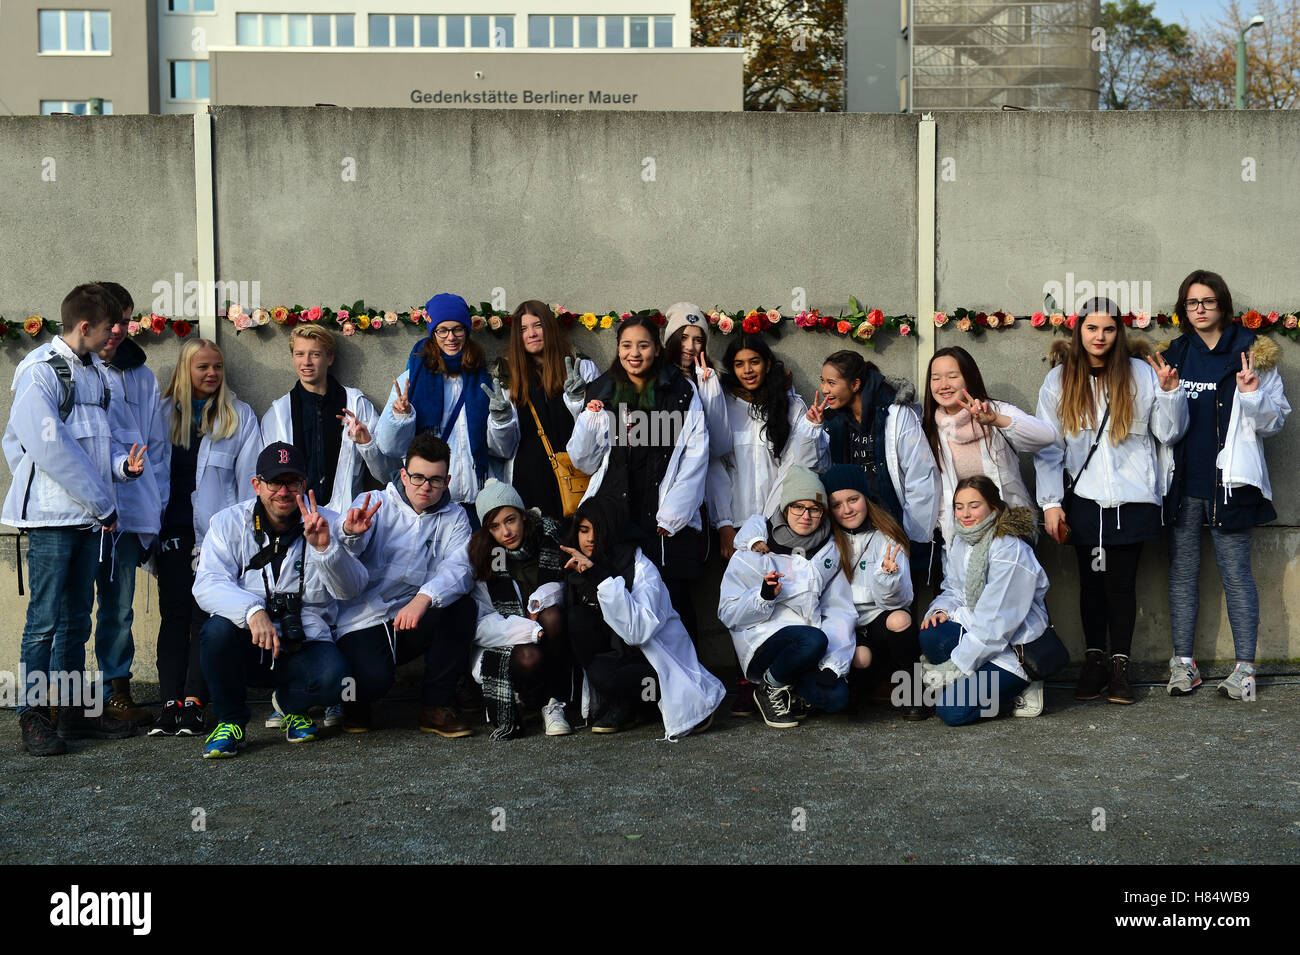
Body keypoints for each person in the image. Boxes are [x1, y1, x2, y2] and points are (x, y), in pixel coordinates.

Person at [4, 283, 145, 755]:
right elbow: (49, 449)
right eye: (112, 326)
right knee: (44, 621)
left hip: (88, 518)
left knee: (76, 620)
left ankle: (70, 713)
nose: (120, 332)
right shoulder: (39, 372)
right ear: (85, 327)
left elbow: (93, 443)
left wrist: (121, 469)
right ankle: (35, 715)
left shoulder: (95, 374)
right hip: (54, 520)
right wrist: (101, 502)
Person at [1035, 297, 1189, 704]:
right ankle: (1094, 660)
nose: (1099, 336)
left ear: (1118, 332)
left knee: (1121, 584)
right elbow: (1048, 447)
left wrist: (1172, 394)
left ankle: (1120, 665)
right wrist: (1051, 502)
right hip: (1084, 499)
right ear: (1079, 331)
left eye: (1107, 329)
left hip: (1132, 498)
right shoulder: (1059, 380)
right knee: (1091, 583)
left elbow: (1168, 434)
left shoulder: (1142, 374)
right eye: (1091, 328)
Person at [1158, 270, 1290, 700]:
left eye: (1208, 302)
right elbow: (1165, 432)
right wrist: (1169, 394)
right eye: (1192, 303)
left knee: (1236, 574)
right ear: (1183, 308)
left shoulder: (1252, 354)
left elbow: (1274, 423)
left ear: (1223, 305)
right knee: (1182, 574)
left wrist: (1251, 394)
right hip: (1184, 484)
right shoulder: (1174, 354)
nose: (1199, 310)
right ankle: (1184, 665)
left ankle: (1245, 669)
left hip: (1231, 485)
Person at [195, 443, 365, 758]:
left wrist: (326, 549)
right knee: (215, 632)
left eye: (293, 482)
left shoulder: (327, 521)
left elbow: (352, 589)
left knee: (337, 681)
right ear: (257, 485)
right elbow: (207, 583)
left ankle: (290, 706)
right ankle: (231, 721)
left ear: (305, 485)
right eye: (275, 482)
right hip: (251, 643)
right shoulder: (228, 523)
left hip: (303, 641)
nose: (283, 491)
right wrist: (252, 611)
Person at [566, 315, 709, 642]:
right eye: (626, 345)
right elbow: (583, 460)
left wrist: (673, 515)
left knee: (671, 599)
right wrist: (588, 420)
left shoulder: (680, 390)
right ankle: (621, 681)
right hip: (613, 511)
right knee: (615, 597)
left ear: (657, 349)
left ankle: (681, 686)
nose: (634, 353)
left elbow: (695, 454)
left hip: (660, 517)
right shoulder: (603, 388)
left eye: (643, 345)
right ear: (617, 349)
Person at [151, 338, 262, 737]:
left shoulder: (239, 415)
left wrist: (245, 537)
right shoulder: (161, 413)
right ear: (186, 370)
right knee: (175, 615)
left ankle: (196, 704)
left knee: (205, 617)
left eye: (217, 367)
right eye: (203, 368)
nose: (212, 374)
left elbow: (251, 484)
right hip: (171, 532)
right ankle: (169, 703)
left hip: (217, 536)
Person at [334, 433, 478, 737]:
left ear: (447, 480)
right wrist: (350, 532)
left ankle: (434, 707)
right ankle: (351, 700)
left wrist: (424, 597)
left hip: (411, 617)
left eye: (435, 480)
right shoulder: (374, 503)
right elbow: (344, 555)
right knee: (374, 681)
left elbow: (461, 569)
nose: (425, 487)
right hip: (364, 619)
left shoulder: (455, 517)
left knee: (462, 607)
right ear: (403, 474)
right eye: (417, 477)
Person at [71, 281, 169, 726]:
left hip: (127, 513)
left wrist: (157, 505)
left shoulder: (142, 376)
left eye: (127, 321)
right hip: (77, 513)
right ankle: (63, 699)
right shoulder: (71, 371)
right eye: (114, 321)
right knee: (70, 609)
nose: (119, 330)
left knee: (120, 606)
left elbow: (156, 447)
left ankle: (117, 692)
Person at [560, 495, 724, 737]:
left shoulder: (641, 569)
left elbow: (636, 631)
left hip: (649, 664)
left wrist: (599, 578)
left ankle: (653, 705)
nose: (591, 539)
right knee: (577, 619)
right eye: (584, 531)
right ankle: (623, 705)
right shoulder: (575, 567)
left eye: (598, 530)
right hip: (620, 659)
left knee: (606, 674)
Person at [718, 466, 855, 729]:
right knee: (811, 639)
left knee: (838, 698)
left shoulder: (830, 550)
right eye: (798, 507)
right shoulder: (755, 550)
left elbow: (839, 610)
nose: (806, 516)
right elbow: (728, 613)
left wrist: (833, 664)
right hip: (764, 643)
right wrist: (763, 597)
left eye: (815, 509)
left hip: (812, 646)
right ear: (785, 508)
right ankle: (769, 688)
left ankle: (791, 691)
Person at [801, 349, 940, 596]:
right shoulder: (833, 420)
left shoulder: (895, 414)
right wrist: (812, 429)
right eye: (822, 381)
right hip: (852, 523)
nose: (824, 389)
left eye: (832, 382)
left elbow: (921, 476)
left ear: (855, 384)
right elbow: (812, 470)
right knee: (859, 594)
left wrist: (913, 536)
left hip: (894, 521)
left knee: (898, 591)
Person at [918, 476, 1052, 726]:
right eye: (959, 506)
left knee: (951, 711)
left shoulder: (1009, 550)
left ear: (994, 507)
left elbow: (995, 624)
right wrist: (942, 610)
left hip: (1014, 650)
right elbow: (953, 588)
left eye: (974, 505)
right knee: (931, 633)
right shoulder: (961, 540)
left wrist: (954, 666)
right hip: (980, 635)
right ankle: (980, 683)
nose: (965, 514)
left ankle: (1019, 688)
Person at [377, 293, 518, 523]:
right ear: (433, 333)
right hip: (430, 503)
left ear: (467, 331)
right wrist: (401, 417)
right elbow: (389, 447)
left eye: (457, 329)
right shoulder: (411, 380)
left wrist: (501, 421)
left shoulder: (486, 381)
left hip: (476, 502)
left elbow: (504, 451)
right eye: (442, 330)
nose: (450, 337)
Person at [467, 479, 573, 739]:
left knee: (552, 615)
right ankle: (525, 698)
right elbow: (481, 625)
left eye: (510, 520)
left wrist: (540, 600)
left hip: (556, 636)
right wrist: (528, 630)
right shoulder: (485, 558)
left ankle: (553, 703)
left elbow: (568, 587)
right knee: (529, 656)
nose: (506, 532)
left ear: (523, 516)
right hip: (507, 641)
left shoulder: (550, 537)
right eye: (495, 526)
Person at [922, 345, 1055, 543]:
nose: (944, 385)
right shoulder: (928, 427)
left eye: (952, 376)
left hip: (1010, 530)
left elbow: (1046, 436)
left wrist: (995, 420)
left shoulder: (995, 410)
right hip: (962, 536)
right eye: (936, 378)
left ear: (969, 377)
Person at [820, 464, 921, 718]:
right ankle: (863, 690)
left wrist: (887, 577)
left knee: (900, 618)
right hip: (846, 623)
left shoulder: (887, 537)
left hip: (879, 616)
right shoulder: (826, 539)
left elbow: (902, 600)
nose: (847, 510)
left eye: (853, 499)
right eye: (837, 504)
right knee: (861, 659)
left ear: (866, 498)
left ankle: (914, 694)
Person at [260, 324, 390, 510]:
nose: (306, 362)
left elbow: (385, 474)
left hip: (345, 520)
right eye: (299, 354)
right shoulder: (279, 413)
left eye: (315, 354)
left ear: (329, 358)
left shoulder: (356, 404)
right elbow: (267, 479)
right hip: (296, 521)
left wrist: (366, 443)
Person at [496, 300, 599, 520]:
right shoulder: (509, 377)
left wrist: (577, 402)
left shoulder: (582, 367)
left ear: (550, 327)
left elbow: (599, 430)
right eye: (523, 329)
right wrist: (500, 422)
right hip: (529, 485)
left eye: (538, 325)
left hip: (577, 479)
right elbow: (503, 449)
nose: (531, 334)